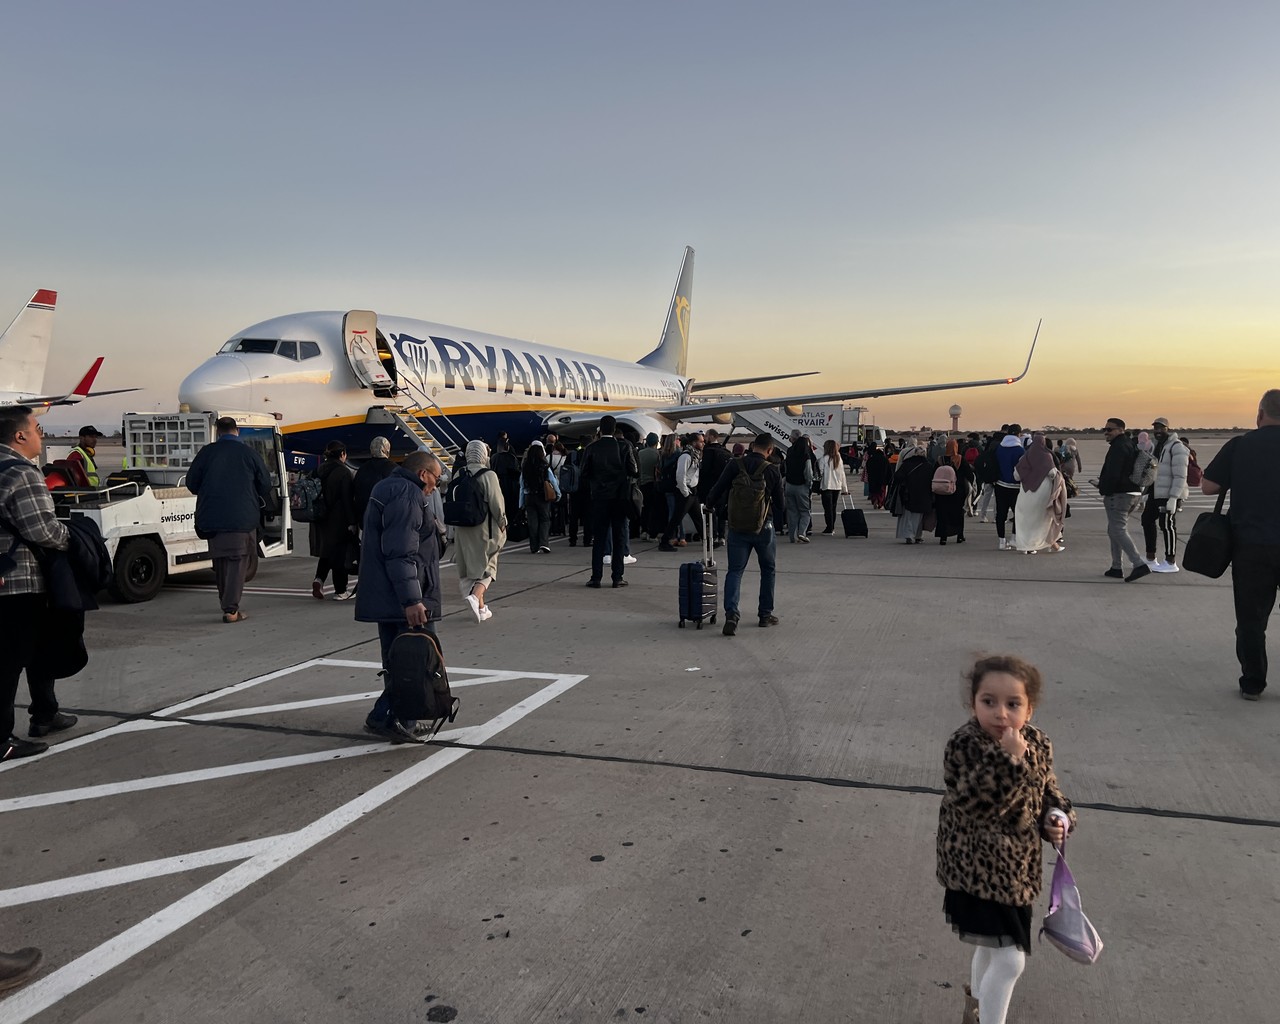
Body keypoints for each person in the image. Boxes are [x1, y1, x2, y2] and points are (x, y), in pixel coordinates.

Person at [937, 654, 1075, 1024]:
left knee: (992, 948)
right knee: (1011, 960)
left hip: (1017, 876)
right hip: (976, 873)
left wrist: (1057, 817)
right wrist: (1008, 761)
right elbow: (977, 802)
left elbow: (1048, 791)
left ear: (1030, 709)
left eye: (1013, 704)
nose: (1001, 713)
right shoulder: (965, 745)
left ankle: (974, 1011)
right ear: (973, 704)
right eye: (989, 702)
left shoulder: (1037, 743)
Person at [356, 450, 444, 743]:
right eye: (436, 480)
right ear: (423, 474)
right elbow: (401, 551)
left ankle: (398, 717)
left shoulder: (388, 487)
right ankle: (388, 717)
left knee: (399, 660)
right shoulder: (407, 495)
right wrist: (412, 600)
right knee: (416, 661)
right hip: (403, 596)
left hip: (389, 592)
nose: (435, 487)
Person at [0, 406, 73, 760]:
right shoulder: (22, 473)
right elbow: (43, 530)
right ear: (20, 435)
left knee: (35, 647)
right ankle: (2, 739)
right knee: (10, 661)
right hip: (19, 581)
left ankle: (46, 710)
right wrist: (74, 539)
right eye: (37, 428)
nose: (41, 435)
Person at [1202, 389, 1280, 700]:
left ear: (1260, 414)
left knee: (1251, 620)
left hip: (1252, 546)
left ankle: (1253, 682)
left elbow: (1208, 486)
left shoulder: (1241, 445)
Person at [186, 416, 274, 623]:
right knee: (237, 561)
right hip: (241, 517)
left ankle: (225, 602)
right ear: (237, 431)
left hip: (212, 517)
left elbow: (191, 484)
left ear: (218, 432)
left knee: (221, 561)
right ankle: (231, 609)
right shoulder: (249, 453)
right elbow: (265, 485)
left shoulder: (206, 453)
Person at [704, 433, 785, 636]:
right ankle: (765, 615)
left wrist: (709, 505)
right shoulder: (772, 470)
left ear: (753, 446)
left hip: (738, 527)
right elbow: (780, 504)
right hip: (763, 527)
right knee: (768, 570)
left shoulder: (735, 464)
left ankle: (731, 614)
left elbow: (718, 488)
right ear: (770, 450)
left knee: (735, 571)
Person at [578, 414, 638, 588]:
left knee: (599, 538)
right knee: (619, 537)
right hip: (619, 497)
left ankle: (596, 577)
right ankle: (617, 577)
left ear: (600, 429)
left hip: (599, 497)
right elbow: (633, 470)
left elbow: (584, 472)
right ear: (614, 429)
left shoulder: (591, 448)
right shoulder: (624, 446)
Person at [454, 439, 507, 621]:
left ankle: (482, 608)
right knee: (488, 565)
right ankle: (475, 596)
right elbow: (496, 502)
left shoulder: (459, 473)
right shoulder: (489, 475)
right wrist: (503, 522)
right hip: (484, 528)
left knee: (471, 566)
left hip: (463, 528)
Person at [1094, 417, 1149, 582]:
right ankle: (1116, 567)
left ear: (1120, 430)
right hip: (1133, 493)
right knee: (1113, 529)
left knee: (1118, 529)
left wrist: (1103, 488)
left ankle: (1139, 564)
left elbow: (1113, 473)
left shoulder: (1118, 447)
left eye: (1109, 429)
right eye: (1105, 429)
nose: (1106, 433)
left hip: (1119, 495)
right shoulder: (1129, 444)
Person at [310, 441, 358, 601]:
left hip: (320, 517)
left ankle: (319, 579)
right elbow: (347, 499)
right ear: (342, 454)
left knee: (326, 550)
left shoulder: (319, 469)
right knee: (340, 555)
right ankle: (340, 590)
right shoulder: (343, 472)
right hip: (338, 519)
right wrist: (352, 521)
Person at [1012, 434, 1066, 553]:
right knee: (1043, 520)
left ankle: (1026, 546)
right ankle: (1039, 545)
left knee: (1026, 520)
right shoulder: (1046, 456)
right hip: (1042, 493)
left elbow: (1016, 476)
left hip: (1025, 493)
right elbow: (1052, 473)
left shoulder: (1025, 457)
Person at [1148, 417, 1188, 573]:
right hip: (1156, 492)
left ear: (1167, 429)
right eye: (1156, 428)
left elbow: (1180, 475)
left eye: (1161, 428)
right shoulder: (1158, 446)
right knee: (1147, 520)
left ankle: (1171, 561)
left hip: (1168, 494)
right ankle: (1150, 557)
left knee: (1167, 525)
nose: (1158, 431)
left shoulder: (1177, 447)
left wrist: (1174, 497)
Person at [662, 431, 703, 549]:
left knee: (698, 518)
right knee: (676, 518)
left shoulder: (695, 455)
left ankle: (706, 540)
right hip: (686, 492)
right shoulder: (686, 456)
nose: (703, 444)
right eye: (701, 441)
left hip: (692, 491)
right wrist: (685, 492)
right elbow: (680, 476)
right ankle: (664, 541)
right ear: (694, 443)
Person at [518, 440, 560, 554]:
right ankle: (544, 543)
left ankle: (534, 546)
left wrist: (521, 503)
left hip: (529, 496)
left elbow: (522, 485)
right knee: (545, 519)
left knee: (532, 522)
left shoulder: (525, 467)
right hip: (542, 495)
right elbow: (552, 481)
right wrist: (558, 493)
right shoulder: (545, 465)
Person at [889, 444, 932, 543]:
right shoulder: (928, 466)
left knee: (908, 516)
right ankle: (917, 536)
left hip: (908, 494)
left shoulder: (907, 464)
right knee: (919, 517)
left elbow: (897, 477)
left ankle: (908, 535)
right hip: (923, 495)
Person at [353, 435, 396, 526]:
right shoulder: (394, 469)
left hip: (366, 519)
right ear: (387, 450)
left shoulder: (362, 469)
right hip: (387, 521)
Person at [993, 424, 1024, 549]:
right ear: (1018, 434)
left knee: (1001, 514)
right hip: (1015, 487)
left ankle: (1001, 541)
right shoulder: (1020, 450)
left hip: (1000, 485)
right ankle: (1014, 538)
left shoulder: (999, 448)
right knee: (1018, 513)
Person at [782, 434, 814, 543]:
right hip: (801, 486)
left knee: (792, 512)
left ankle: (792, 536)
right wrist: (809, 484)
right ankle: (802, 533)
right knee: (805, 511)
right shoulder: (806, 456)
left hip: (789, 485)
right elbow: (808, 473)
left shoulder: (789, 455)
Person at [816, 438, 847, 534]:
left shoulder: (823, 459)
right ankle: (832, 526)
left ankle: (829, 527)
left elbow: (820, 473)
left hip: (827, 486)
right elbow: (842, 474)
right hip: (837, 486)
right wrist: (844, 488)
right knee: (833, 507)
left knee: (827, 508)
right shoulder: (839, 459)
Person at [636, 432, 662, 540]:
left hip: (642, 484)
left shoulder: (640, 453)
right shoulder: (658, 454)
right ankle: (652, 533)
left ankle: (644, 530)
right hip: (653, 484)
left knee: (644, 508)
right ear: (656, 442)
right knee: (654, 509)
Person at [865, 443, 890, 510]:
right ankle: (880, 502)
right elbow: (889, 470)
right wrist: (889, 478)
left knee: (874, 492)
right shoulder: (885, 460)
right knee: (881, 492)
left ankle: (875, 500)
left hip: (872, 479)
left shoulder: (870, 459)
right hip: (882, 479)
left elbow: (867, 468)